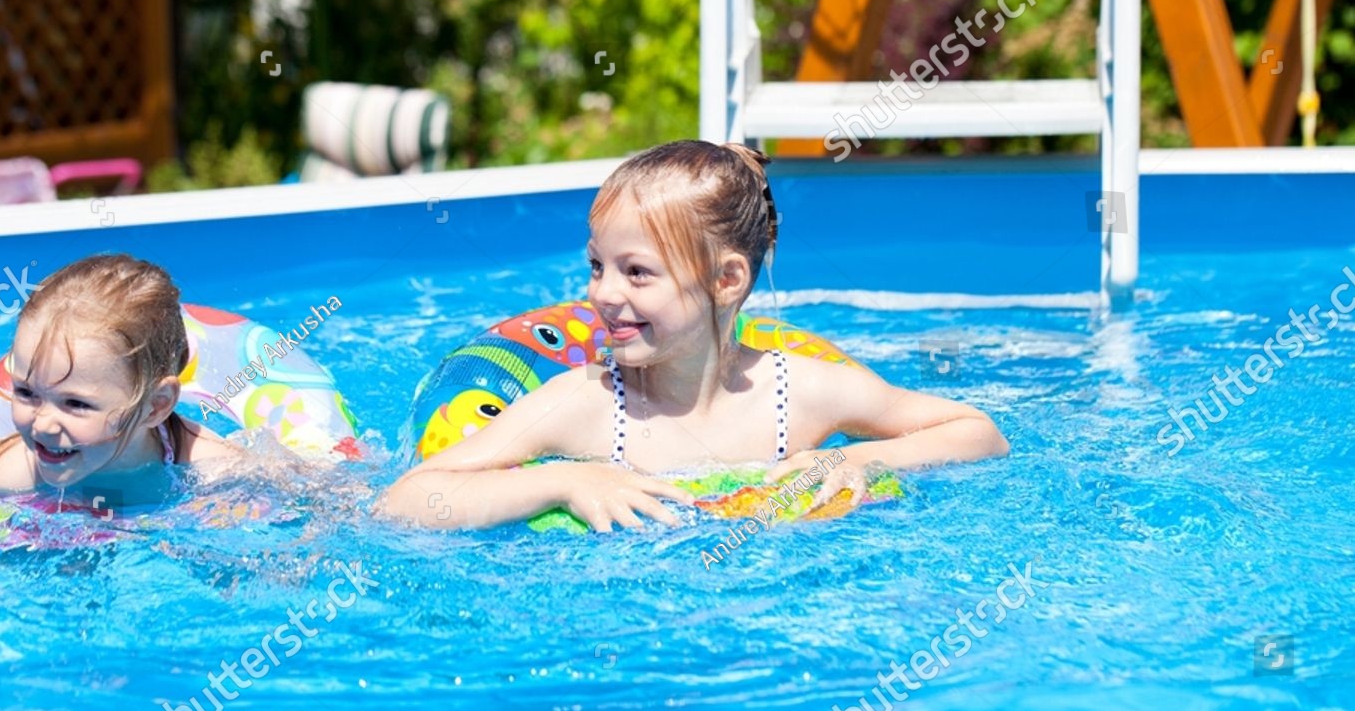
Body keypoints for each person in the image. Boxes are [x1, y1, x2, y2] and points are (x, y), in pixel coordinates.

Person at [379, 140, 1008, 532]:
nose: (603, 293)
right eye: (597, 266)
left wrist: (852, 458)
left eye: (637, 273)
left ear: (726, 279)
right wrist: (567, 482)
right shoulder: (589, 404)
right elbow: (406, 500)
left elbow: (979, 433)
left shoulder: (801, 393)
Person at [0, 254, 238, 511]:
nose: (42, 425)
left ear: (155, 406)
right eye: (27, 392)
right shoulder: (10, 475)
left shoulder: (211, 468)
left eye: (75, 403)